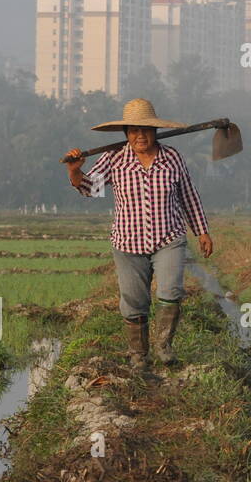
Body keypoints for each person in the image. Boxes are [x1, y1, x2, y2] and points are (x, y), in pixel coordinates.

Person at [63, 98, 213, 369]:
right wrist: (75, 172)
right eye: (133, 130)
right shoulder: (114, 158)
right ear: (126, 134)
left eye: (145, 130)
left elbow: (188, 196)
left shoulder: (172, 158)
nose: (140, 135)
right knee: (134, 300)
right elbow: (90, 188)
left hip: (169, 237)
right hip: (128, 242)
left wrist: (202, 232)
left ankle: (164, 346)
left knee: (171, 291)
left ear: (155, 131)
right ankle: (138, 354)